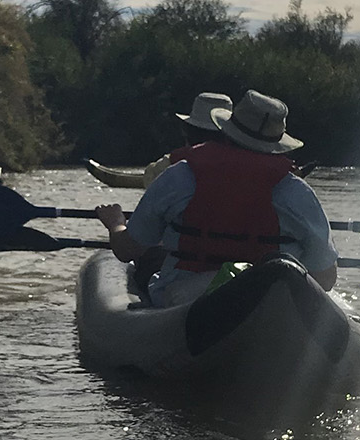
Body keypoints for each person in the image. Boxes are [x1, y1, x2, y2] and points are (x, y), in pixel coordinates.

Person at [96, 89, 336, 306]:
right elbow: (325, 278)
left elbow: (127, 249)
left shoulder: (180, 175)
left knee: (150, 265)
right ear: (278, 145)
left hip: (185, 296)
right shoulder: (297, 191)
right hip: (269, 301)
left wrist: (116, 223)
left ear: (226, 131)